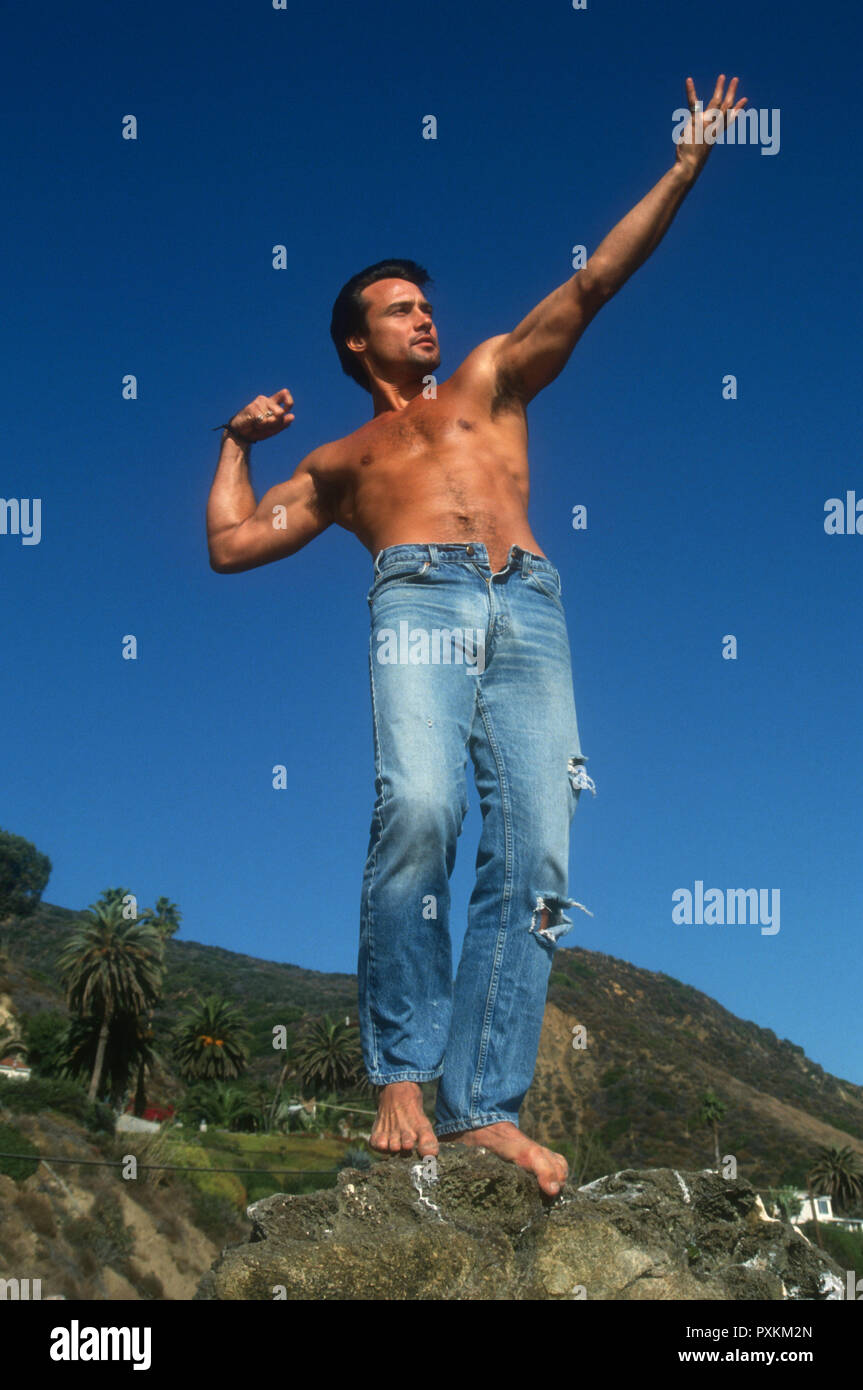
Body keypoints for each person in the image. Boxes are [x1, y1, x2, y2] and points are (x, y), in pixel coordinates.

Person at [206, 76, 747, 1196]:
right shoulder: (339, 465)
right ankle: (401, 1071)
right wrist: (233, 440)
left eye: (423, 303)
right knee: (419, 804)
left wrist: (684, 166)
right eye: (398, 309)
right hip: (419, 598)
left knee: (540, 858)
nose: (423, 316)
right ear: (358, 345)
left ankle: (480, 1107)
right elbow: (229, 545)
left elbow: (596, 279)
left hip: (530, 601)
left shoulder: (493, 377)